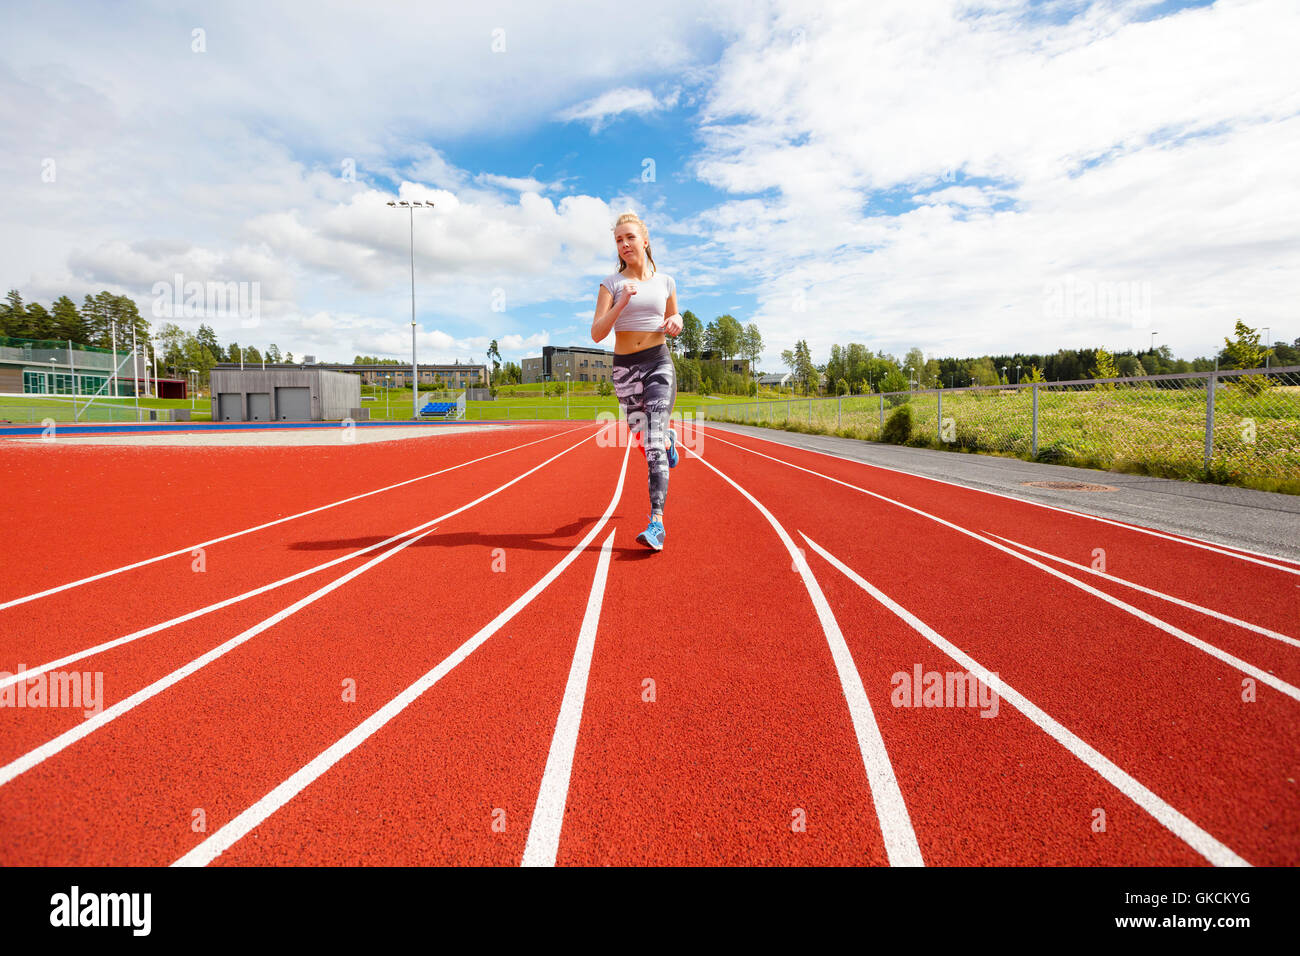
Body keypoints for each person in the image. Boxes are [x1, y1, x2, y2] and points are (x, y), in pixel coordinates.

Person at [590, 212, 684, 551]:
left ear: (645, 240)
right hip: (624, 368)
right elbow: (598, 333)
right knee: (647, 443)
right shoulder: (610, 284)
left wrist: (678, 320)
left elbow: (674, 316)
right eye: (618, 240)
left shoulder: (666, 281)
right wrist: (621, 302)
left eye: (629, 237)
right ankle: (671, 442)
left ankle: (656, 523)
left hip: (658, 362)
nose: (624, 244)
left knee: (652, 444)